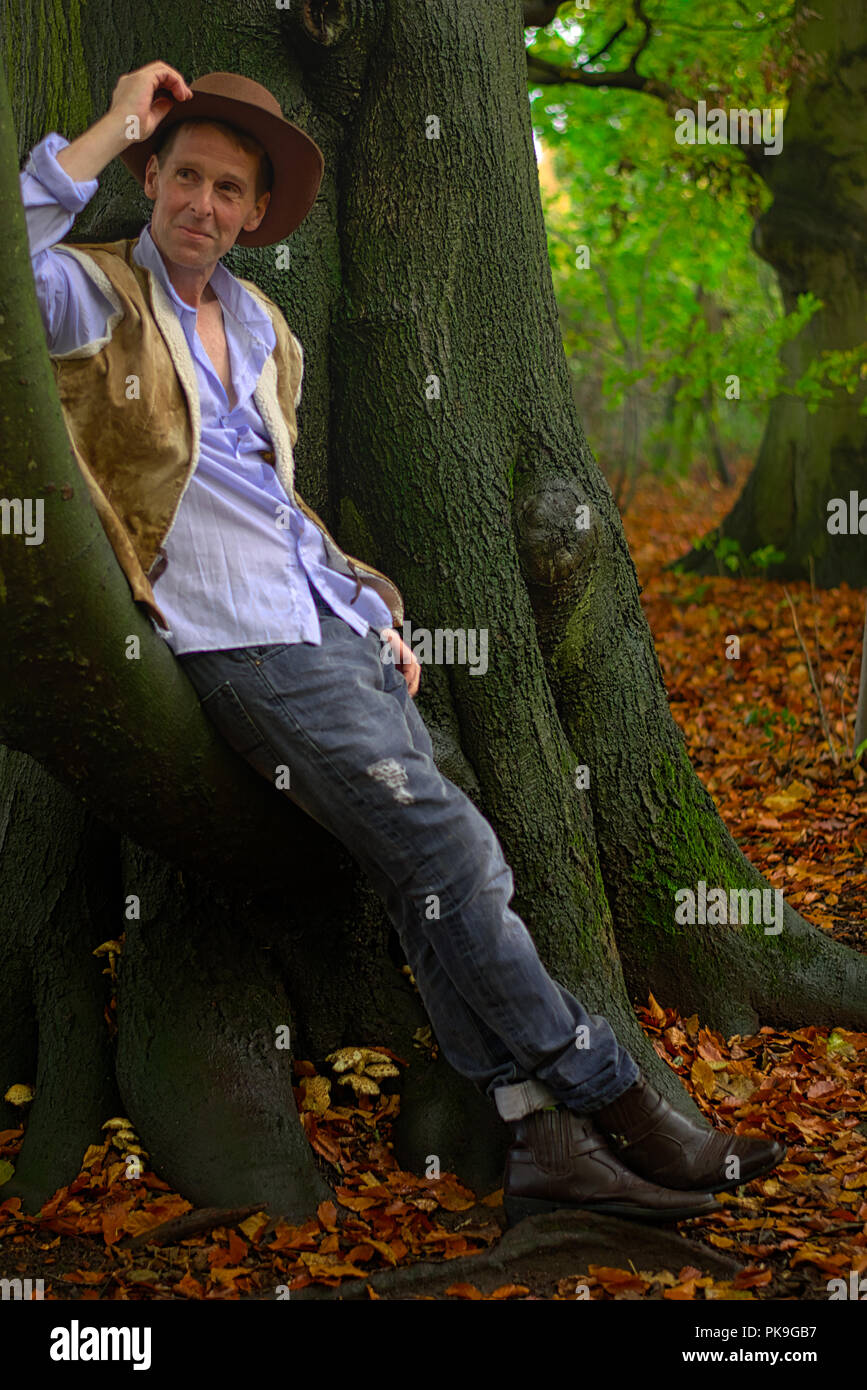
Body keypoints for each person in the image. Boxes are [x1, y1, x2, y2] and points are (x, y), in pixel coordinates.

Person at [18, 60, 785, 1227]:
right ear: (152, 177)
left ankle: (539, 1144)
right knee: (453, 848)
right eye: (186, 177)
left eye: (231, 190)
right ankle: (613, 1095)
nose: (205, 206)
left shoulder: (271, 333)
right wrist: (116, 118)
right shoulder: (97, 295)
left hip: (334, 633)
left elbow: (276, 503)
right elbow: (9, 261)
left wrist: (370, 602)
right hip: (242, 648)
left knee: (426, 874)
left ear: (254, 213)